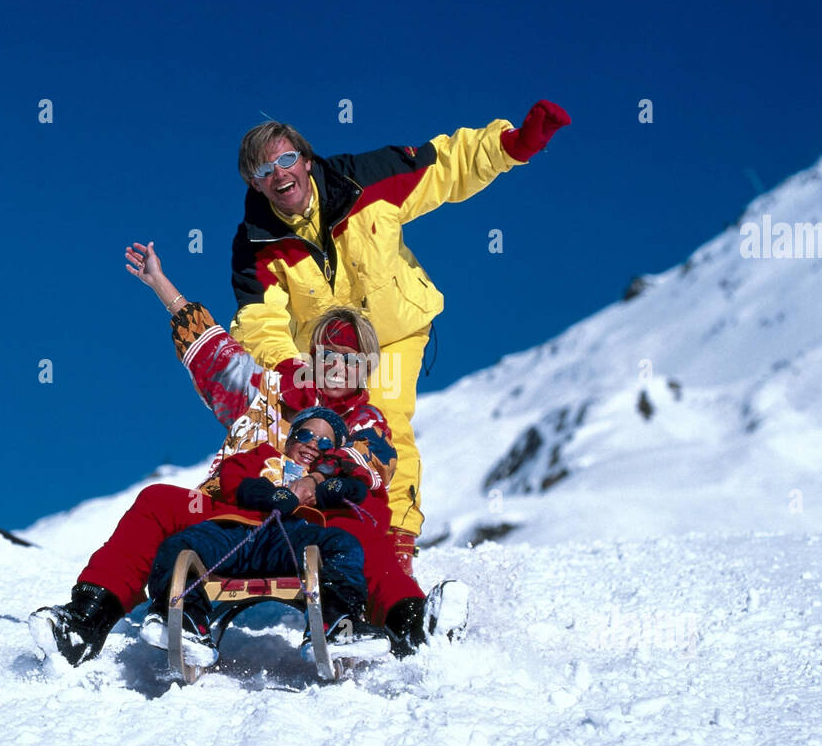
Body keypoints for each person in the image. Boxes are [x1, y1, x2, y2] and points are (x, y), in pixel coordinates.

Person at [29, 244, 463, 666]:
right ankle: (85, 622)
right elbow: (216, 358)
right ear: (313, 356)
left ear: (366, 368)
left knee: (367, 524)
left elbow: (374, 462)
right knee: (157, 502)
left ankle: (410, 623)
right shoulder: (268, 391)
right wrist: (162, 286)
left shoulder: (365, 419)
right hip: (235, 513)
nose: (336, 367)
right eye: (328, 355)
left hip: (318, 522)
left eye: (350, 360)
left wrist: (314, 481)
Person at [229, 99, 572, 574]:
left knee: (384, 424)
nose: (279, 174)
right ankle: (329, 540)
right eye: (263, 169)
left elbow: (442, 166)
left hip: (393, 333)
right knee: (314, 437)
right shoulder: (255, 243)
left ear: (306, 160)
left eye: (286, 159)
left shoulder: (363, 180)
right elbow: (258, 319)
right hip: (323, 355)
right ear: (253, 182)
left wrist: (511, 145)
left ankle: (396, 545)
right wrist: (289, 369)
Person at [140, 410, 385, 667]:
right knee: (178, 545)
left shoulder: (320, 478)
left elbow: (356, 492)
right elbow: (232, 477)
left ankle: (336, 623)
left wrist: (338, 487)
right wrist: (269, 495)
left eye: (325, 443)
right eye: (306, 435)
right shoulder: (263, 455)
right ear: (290, 439)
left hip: (289, 539)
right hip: (235, 531)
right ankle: (185, 620)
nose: (313, 444)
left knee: (342, 545)